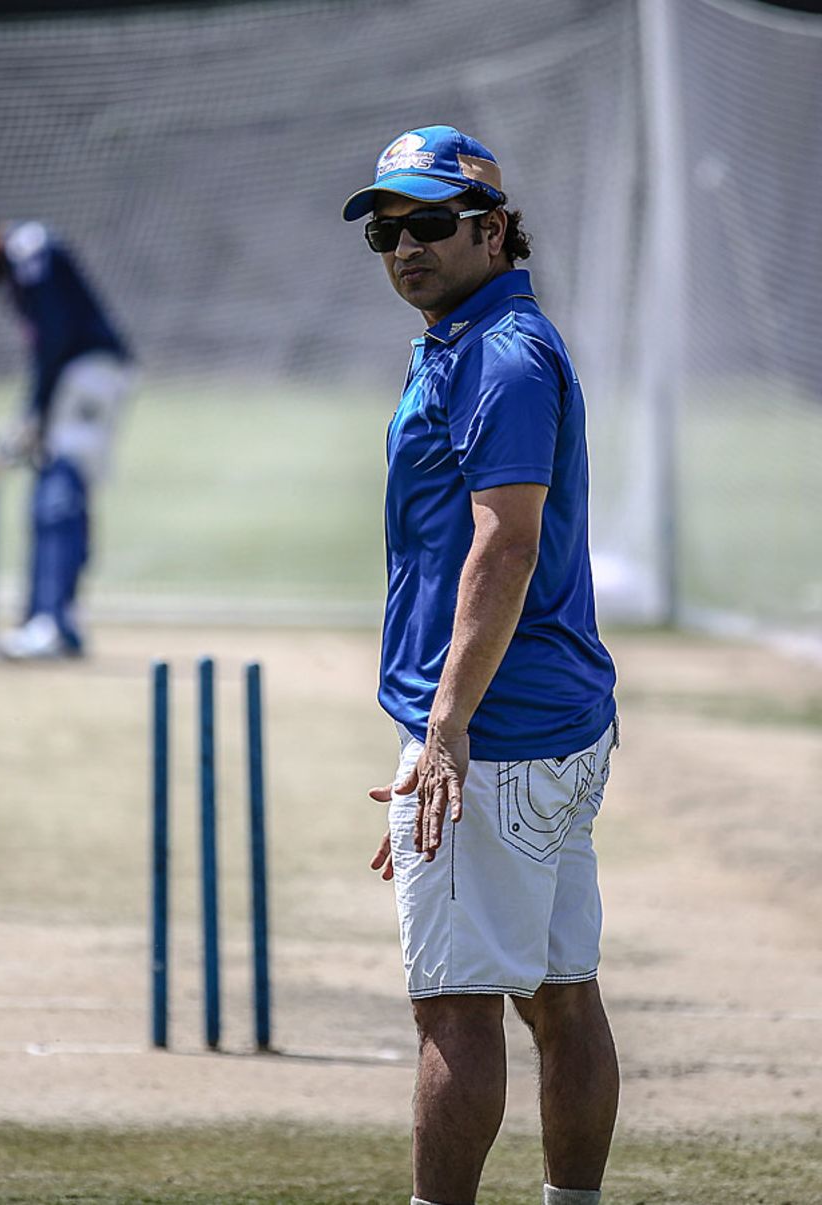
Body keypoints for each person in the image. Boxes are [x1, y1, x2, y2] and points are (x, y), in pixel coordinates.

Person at [342, 126, 620, 1205]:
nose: (403, 246)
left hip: (493, 732)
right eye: (385, 229)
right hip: (543, 722)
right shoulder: (470, 333)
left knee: (454, 1004)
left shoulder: (499, 351)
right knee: (560, 992)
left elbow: (504, 540)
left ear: (493, 230)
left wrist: (444, 729)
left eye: (427, 224)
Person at [0, 202, 134, 659]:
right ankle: (53, 619)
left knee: (59, 492)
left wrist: (33, 414)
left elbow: (58, 337)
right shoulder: (16, 270)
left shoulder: (29, 250)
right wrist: (33, 417)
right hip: (77, 377)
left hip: (89, 372)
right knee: (52, 493)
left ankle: (52, 625)